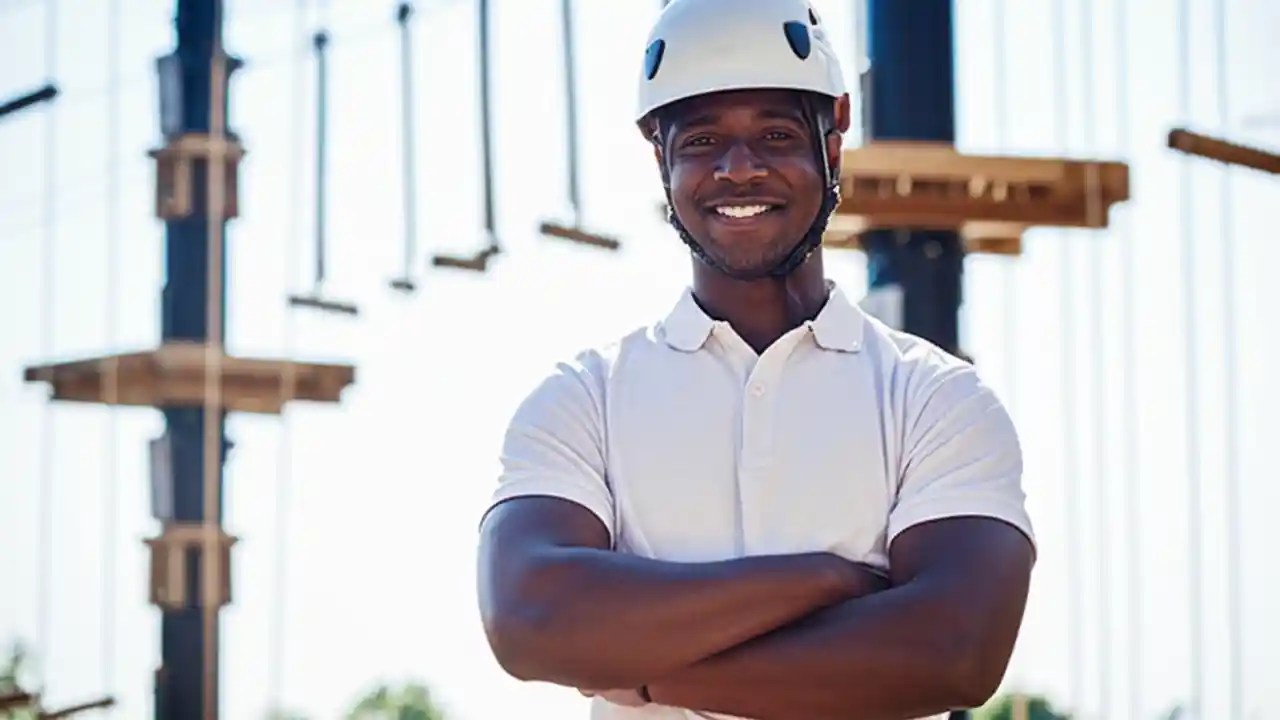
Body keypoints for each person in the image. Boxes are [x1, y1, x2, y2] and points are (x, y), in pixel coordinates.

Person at [476, 0, 1036, 717]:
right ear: (660, 158)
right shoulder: (583, 400)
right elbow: (529, 621)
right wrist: (826, 579)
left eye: (775, 134)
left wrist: (646, 677)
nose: (739, 170)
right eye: (703, 140)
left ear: (833, 142)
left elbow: (955, 653)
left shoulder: (936, 400)